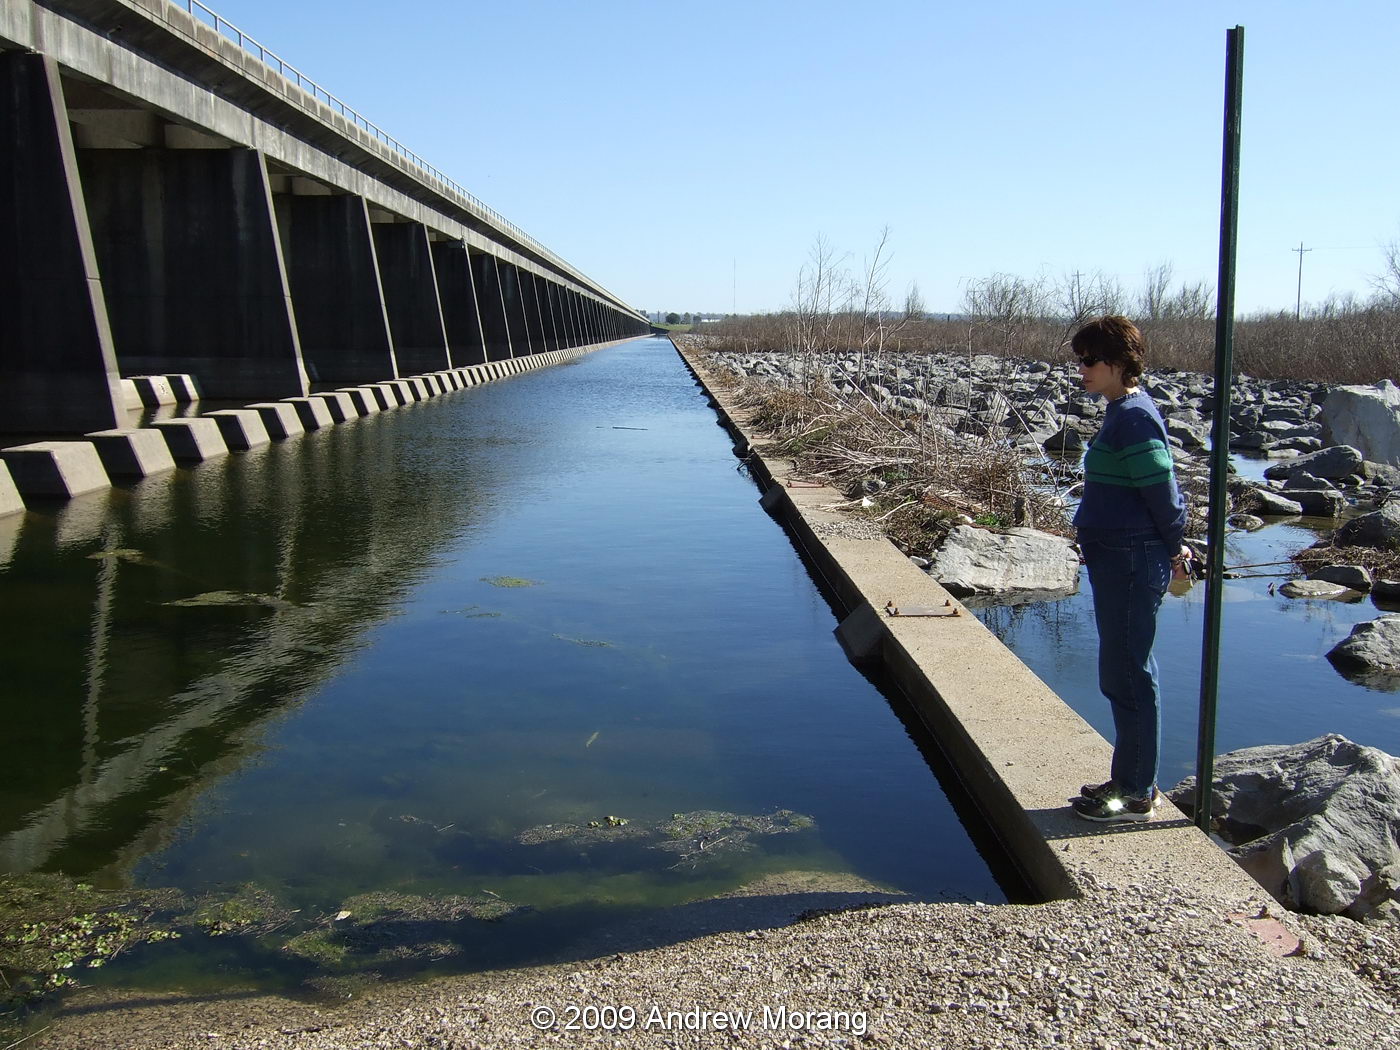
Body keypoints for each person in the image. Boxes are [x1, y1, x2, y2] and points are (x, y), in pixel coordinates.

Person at [1067, 316, 1190, 823]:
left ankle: (1135, 791)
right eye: (1079, 361)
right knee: (1122, 668)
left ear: (1119, 363)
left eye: (1090, 361)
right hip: (1119, 556)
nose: (1082, 370)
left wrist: (1177, 549)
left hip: (1133, 559)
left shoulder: (1134, 417)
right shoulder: (1121, 412)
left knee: (1129, 671)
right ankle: (1131, 780)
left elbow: (1163, 494)